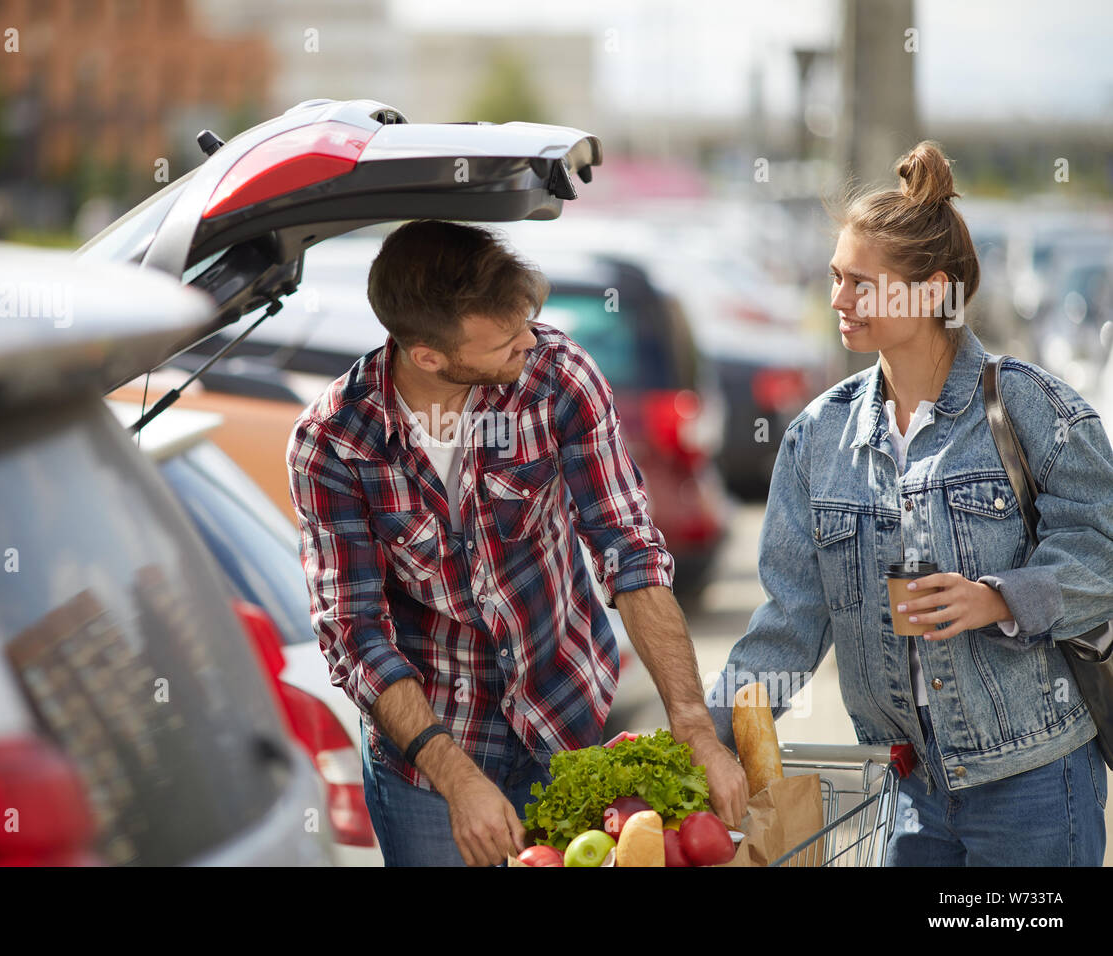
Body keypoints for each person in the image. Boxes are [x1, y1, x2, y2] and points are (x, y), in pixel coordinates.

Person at [287, 219, 748, 866]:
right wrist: (456, 779)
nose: (529, 343)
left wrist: (692, 721)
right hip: (429, 751)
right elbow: (354, 632)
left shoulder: (558, 378)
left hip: (562, 712)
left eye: (527, 324)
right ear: (429, 357)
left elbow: (630, 552)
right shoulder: (333, 441)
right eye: (506, 340)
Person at [706, 141, 1112, 866]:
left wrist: (999, 598)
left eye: (860, 283)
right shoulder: (817, 439)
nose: (836, 299)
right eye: (836, 277)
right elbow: (789, 624)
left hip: (1034, 786)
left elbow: (1102, 551)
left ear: (929, 292)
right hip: (908, 793)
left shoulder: (1031, 408)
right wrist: (700, 737)